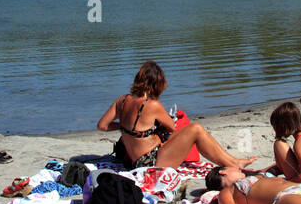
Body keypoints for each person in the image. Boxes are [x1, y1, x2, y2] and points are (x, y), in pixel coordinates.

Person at [96, 61, 255, 171]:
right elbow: (172, 127)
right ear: (155, 85)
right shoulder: (152, 105)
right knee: (196, 129)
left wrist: (126, 127)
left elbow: (102, 126)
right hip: (150, 164)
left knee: (192, 130)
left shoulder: (122, 100)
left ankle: (233, 161)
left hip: (132, 162)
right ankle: (233, 163)